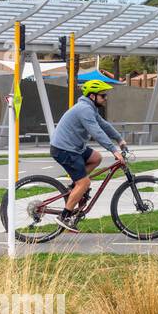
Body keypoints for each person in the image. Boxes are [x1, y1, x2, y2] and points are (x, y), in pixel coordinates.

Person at [48, 79, 127, 231]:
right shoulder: (84, 109)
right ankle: (64, 216)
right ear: (92, 96)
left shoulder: (90, 108)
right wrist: (114, 150)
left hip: (75, 148)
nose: (106, 98)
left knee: (96, 158)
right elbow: (96, 132)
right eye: (103, 96)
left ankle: (73, 187)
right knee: (84, 183)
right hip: (64, 149)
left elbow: (103, 125)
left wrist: (119, 139)